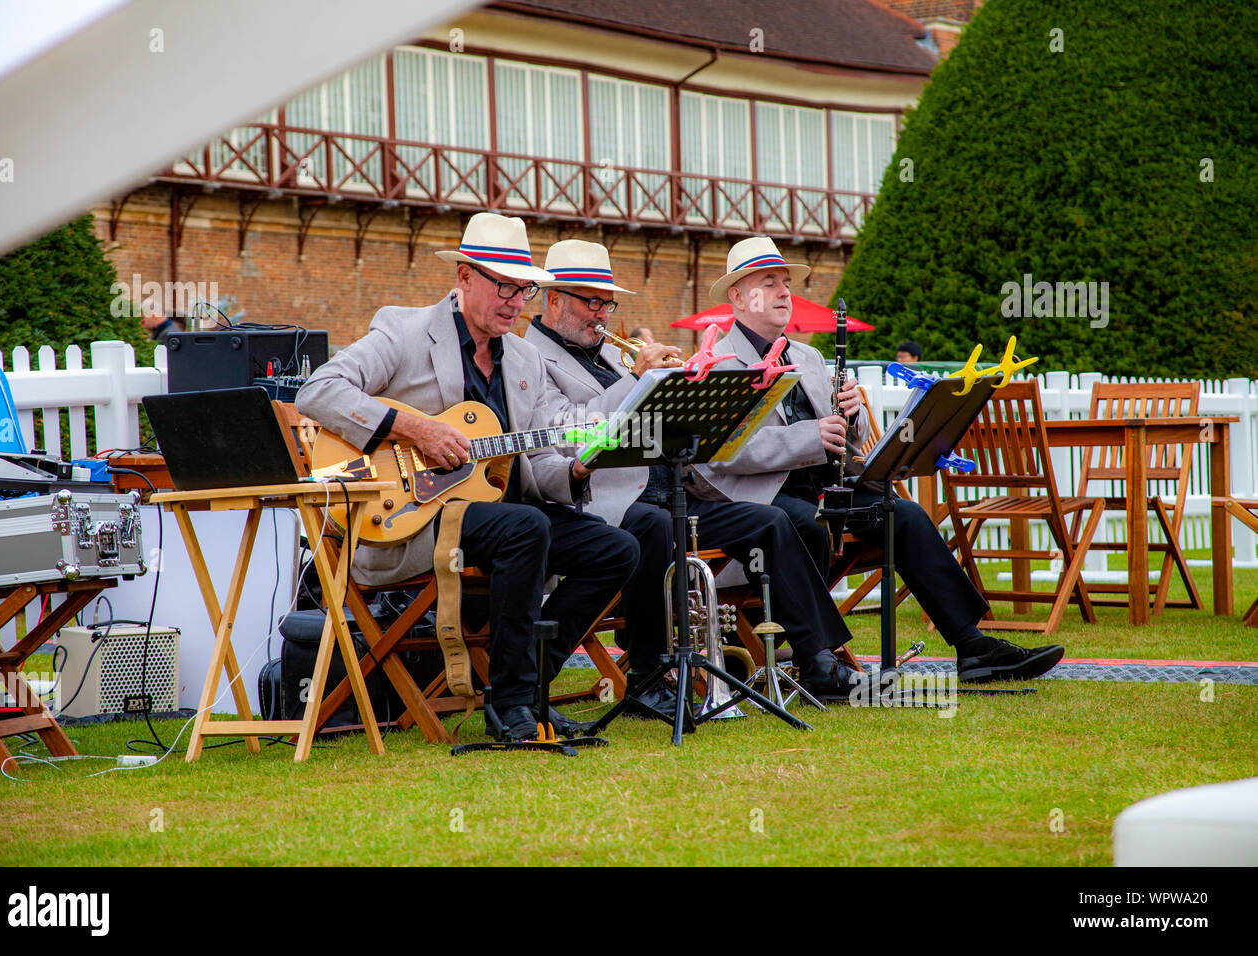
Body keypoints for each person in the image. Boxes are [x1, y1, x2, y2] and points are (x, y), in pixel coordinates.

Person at [295, 213, 639, 741]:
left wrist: (577, 467)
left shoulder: (524, 357)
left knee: (616, 549)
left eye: (523, 290)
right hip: (407, 518)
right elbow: (318, 391)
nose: (514, 302)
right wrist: (416, 430)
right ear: (463, 277)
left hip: (500, 519)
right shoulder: (403, 330)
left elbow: (540, 456)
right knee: (526, 527)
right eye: (503, 286)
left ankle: (526, 689)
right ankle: (514, 704)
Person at [691, 236, 1064, 683]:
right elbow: (724, 453)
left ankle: (972, 644)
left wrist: (850, 420)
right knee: (806, 522)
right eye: (769, 282)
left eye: (786, 282)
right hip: (761, 499)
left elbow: (847, 445)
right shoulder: (717, 363)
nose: (785, 292)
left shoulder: (808, 357)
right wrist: (812, 435)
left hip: (822, 489)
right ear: (738, 296)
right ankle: (817, 661)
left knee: (902, 513)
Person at [529, 239, 864, 709]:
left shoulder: (604, 351)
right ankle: (648, 676)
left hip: (672, 492)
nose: (602, 313)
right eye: (592, 301)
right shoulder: (531, 357)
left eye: (608, 302)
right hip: (608, 501)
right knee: (652, 527)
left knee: (770, 520)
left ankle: (818, 661)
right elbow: (567, 432)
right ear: (554, 299)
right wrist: (637, 381)